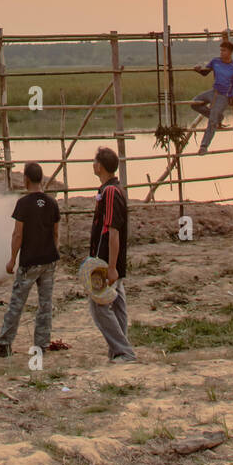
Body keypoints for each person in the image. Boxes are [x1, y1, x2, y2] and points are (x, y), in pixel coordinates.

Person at [0, 161, 60, 358]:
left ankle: (4, 344)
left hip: (29, 261)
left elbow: (17, 235)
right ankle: (42, 344)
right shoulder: (52, 202)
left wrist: (12, 260)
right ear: (41, 178)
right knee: (45, 304)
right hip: (49, 260)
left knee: (17, 303)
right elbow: (55, 233)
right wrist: (55, 253)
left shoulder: (23, 204)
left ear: (26, 180)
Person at [88, 147, 136, 363]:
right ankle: (119, 350)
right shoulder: (112, 189)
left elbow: (113, 231)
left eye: (94, 161)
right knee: (117, 304)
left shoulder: (110, 192)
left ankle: (123, 350)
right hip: (110, 259)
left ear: (100, 166)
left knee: (99, 305)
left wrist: (112, 267)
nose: (93, 164)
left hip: (107, 259)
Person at [191, 39, 233, 152]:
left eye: (224, 51)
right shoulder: (215, 61)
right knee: (194, 103)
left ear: (230, 52)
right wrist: (198, 69)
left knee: (212, 120)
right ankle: (218, 118)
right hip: (213, 92)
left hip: (224, 97)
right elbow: (205, 73)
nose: (221, 53)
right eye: (221, 50)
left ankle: (204, 146)